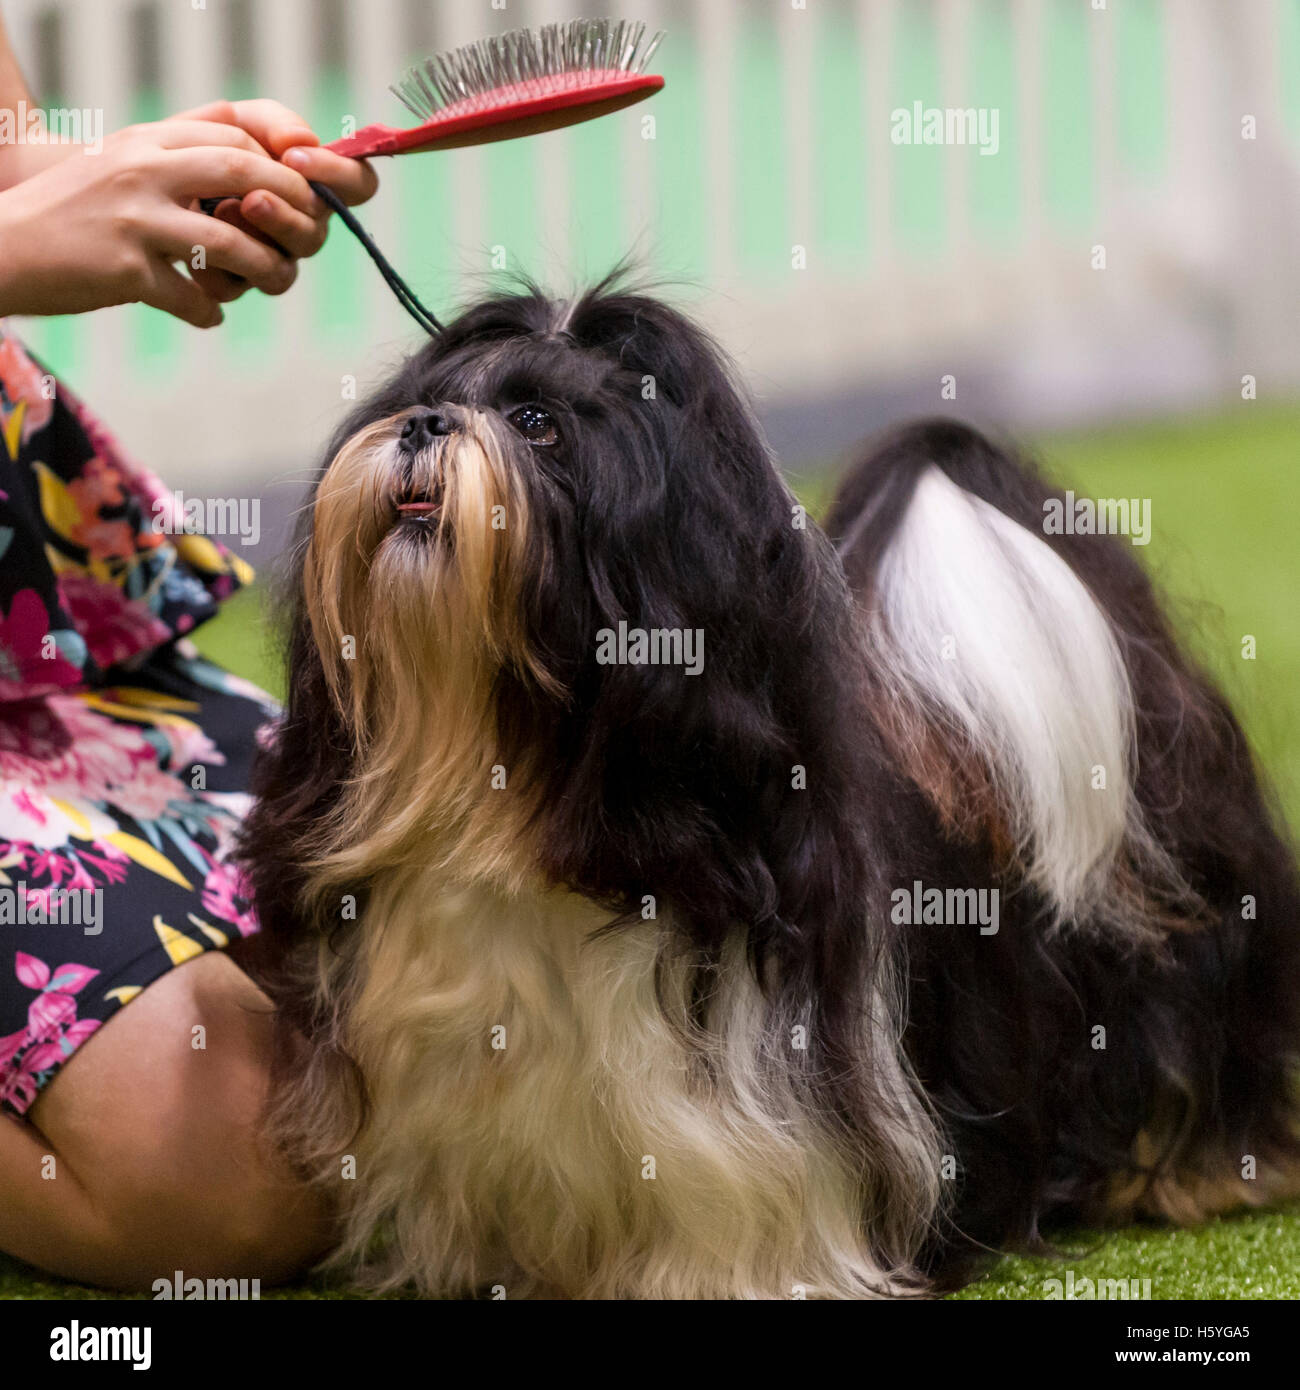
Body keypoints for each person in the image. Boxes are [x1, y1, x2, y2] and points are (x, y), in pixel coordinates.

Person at [0, 13, 374, 1287]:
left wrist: (149, 176)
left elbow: (5, 162)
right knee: (235, 1167)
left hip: (48, 669)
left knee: (448, 964)